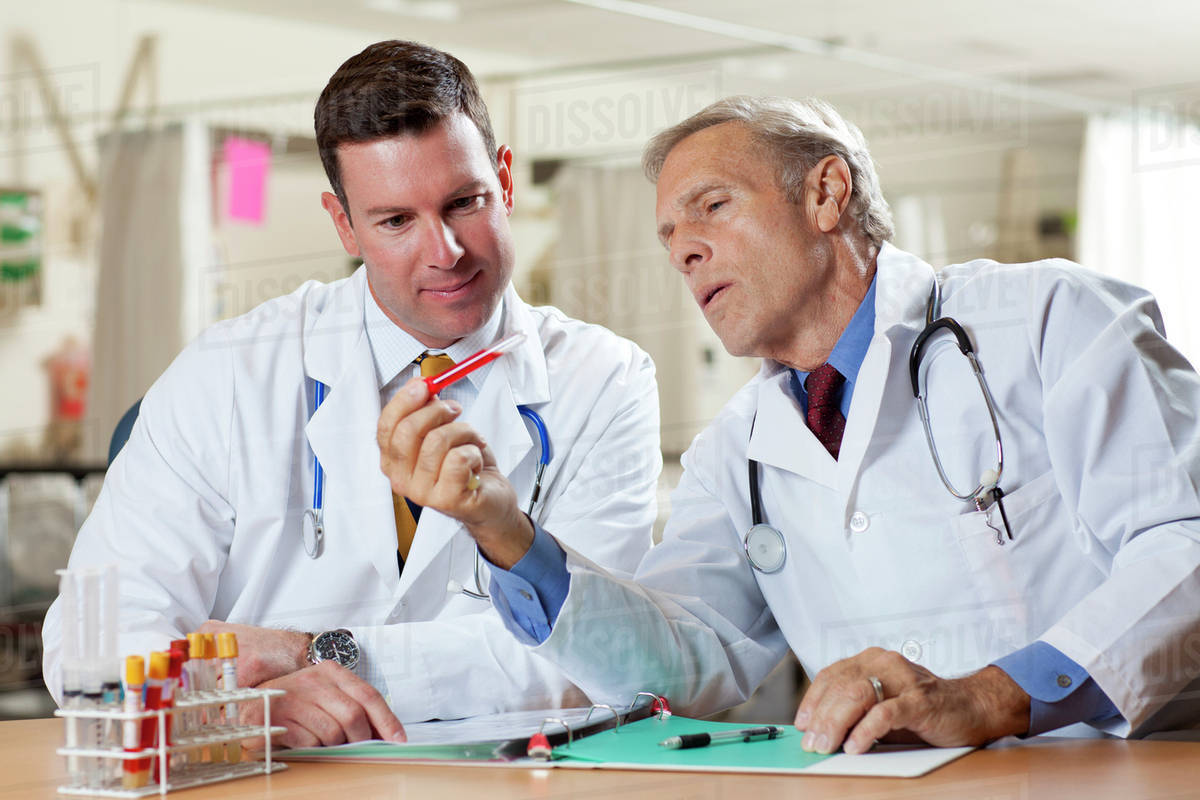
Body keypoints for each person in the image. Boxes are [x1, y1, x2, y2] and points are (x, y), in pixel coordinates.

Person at [449, 95, 1200, 751]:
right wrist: (507, 534)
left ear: (826, 194)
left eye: (712, 206)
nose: (683, 250)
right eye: (669, 234)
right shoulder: (735, 452)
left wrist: (990, 697)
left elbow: (1183, 543)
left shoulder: (1049, 319)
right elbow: (676, 664)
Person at [41, 40, 661, 748]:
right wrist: (237, 707)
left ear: (506, 180)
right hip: (272, 770)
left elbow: (597, 653)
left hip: (500, 775)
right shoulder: (230, 370)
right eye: (396, 221)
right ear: (344, 224)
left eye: (464, 203)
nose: (445, 252)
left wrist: (314, 656)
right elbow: (91, 644)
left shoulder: (605, 378)